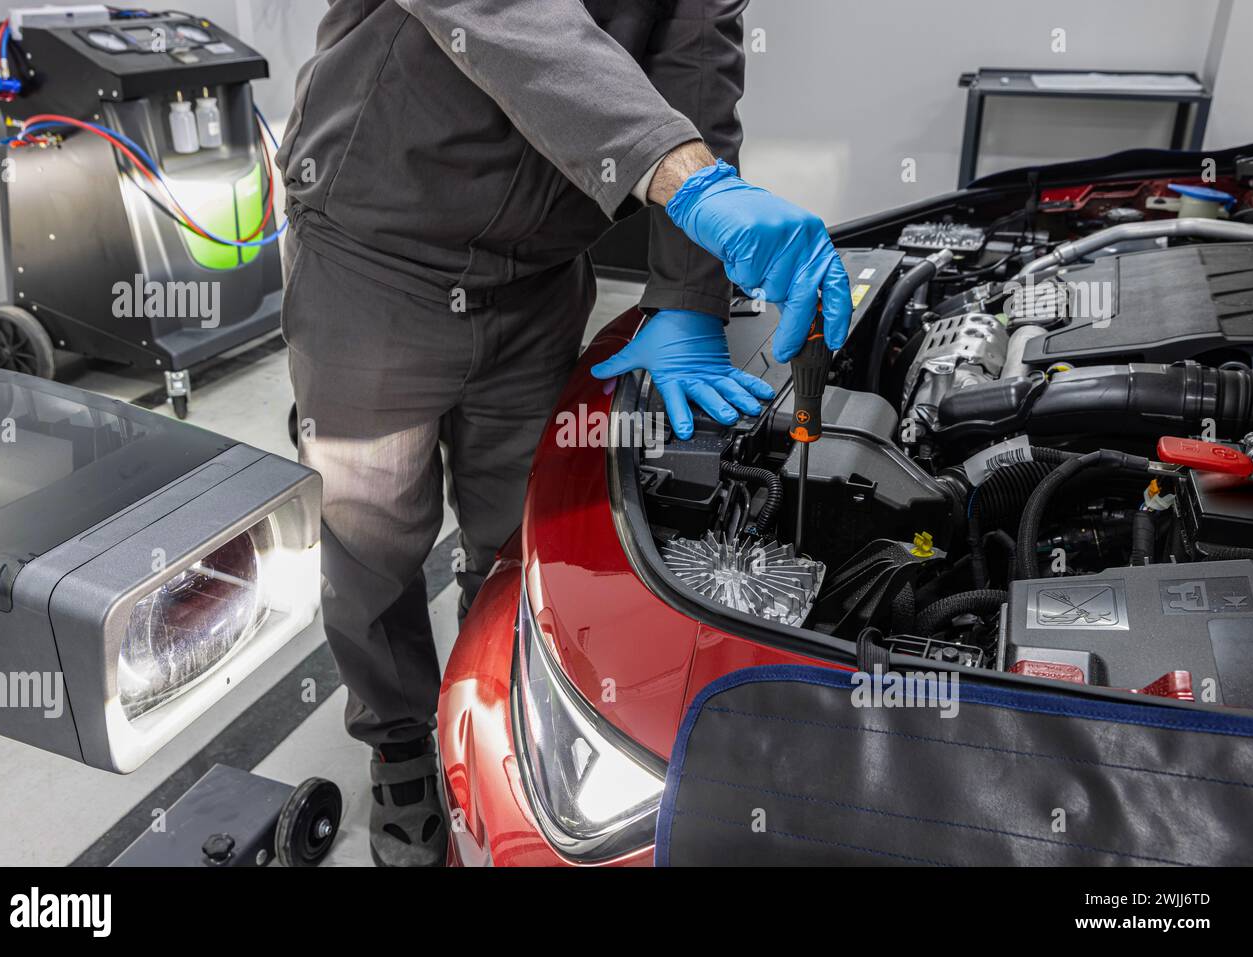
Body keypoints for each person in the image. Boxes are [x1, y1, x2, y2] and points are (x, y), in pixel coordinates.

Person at [276, 0, 850, 866]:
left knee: (521, 535)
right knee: (371, 544)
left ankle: (491, 713)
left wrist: (689, 295)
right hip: (379, 251)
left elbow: (698, 65)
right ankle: (398, 742)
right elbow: (504, 14)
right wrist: (688, 178)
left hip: (539, 272)